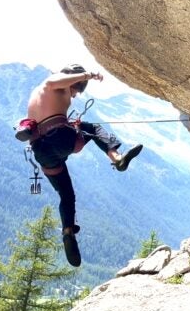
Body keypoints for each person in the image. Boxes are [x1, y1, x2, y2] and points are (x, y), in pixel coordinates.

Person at [24, 64, 143, 267]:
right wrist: (90, 74)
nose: (76, 95)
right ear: (72, 80)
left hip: (42, 152)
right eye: (77, 89)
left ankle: (68, 232)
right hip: (60, 139)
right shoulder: (52, 84)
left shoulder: (36, 93)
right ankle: (117, 159)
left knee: (66, 195)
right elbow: (57, 80)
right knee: (94, 128)